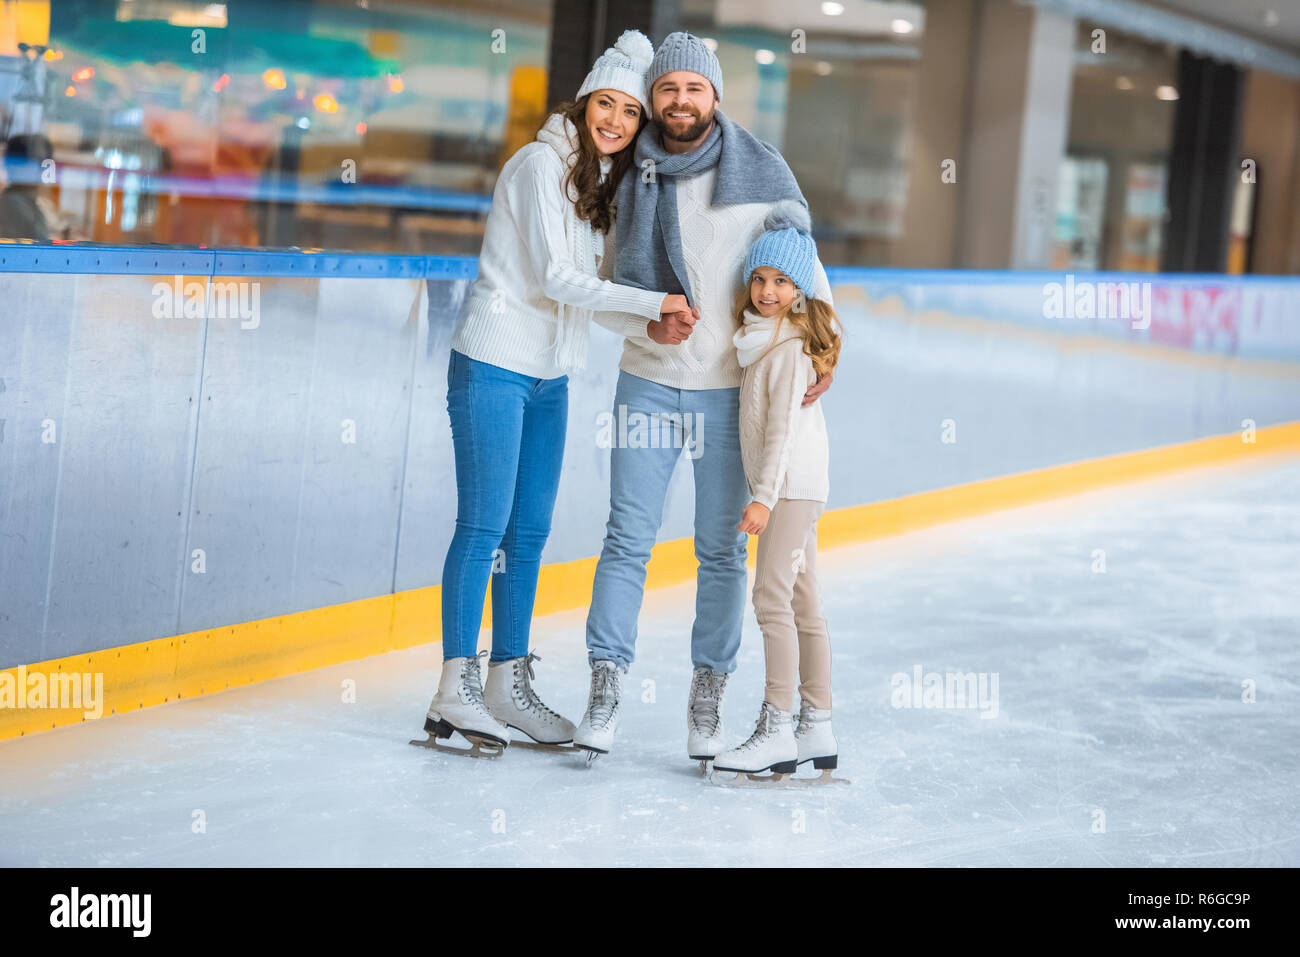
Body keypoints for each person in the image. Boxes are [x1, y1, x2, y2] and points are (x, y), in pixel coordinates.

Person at [422, 30, 693, 753]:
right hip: (493, 363)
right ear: (583, 105)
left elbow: (584, 302)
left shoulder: (592, 186)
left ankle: (508, 682)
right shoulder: (540, 164)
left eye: (631, 113)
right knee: (484, 526)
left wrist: (651, 327)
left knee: (529, 533)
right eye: (606, 104)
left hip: (549, 379)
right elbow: (552, 279)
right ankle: (456, 684)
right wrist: (652, 299)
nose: (616, 120)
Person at [572, 33, 834, 762]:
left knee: (721, 551)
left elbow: (803, 260)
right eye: (667, 90)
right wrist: (646, 310)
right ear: (653, 99)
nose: (679, 101)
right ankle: (604, 683)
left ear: (714, 97)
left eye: (694, 88)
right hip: (648, 381)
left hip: (730, 395)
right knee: (627, 538)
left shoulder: (764, 170)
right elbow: (598, 288)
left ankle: (708, 690)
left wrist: (823, 344)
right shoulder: (628, 177)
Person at [712, 204, 841, 776]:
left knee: (770, 598)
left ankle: (778, 724)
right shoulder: (765, 340)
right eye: (760, 279)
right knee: (804, 601)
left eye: (781, 282)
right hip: (800, 488)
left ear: (800, 289)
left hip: (789, 489)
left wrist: (763, 496)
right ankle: (818, 726)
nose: (767, 290)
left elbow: (783, 431)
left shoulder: (788, 348)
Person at [0, 134, 53, 241]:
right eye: (41, 163)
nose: (46, 170)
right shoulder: (13, 203)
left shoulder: (27, 201)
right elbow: (39, 247)